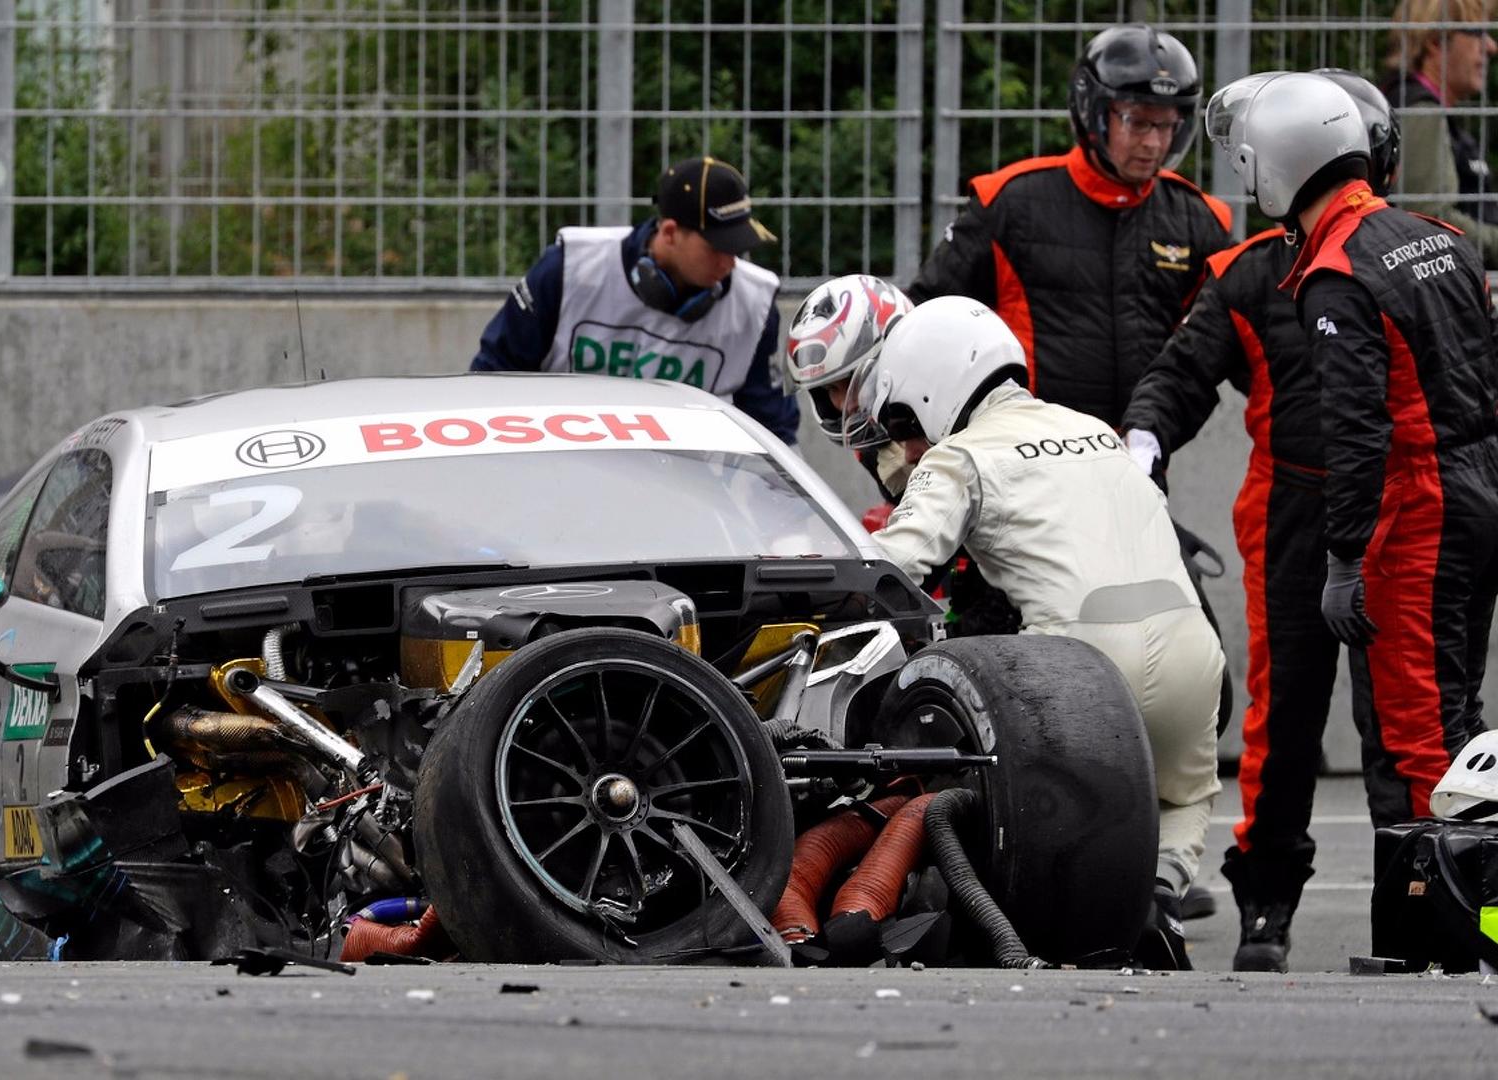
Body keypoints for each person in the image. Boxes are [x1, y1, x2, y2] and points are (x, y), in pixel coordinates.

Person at [1210, 70, 1498, 970]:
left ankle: (1434, 944)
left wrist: (1342, 560)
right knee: (1455, 716)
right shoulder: (1441, 239)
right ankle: (1467, 926)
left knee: (1414, 731)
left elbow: (1356, 429)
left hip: (1417, 512)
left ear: (1278, 164)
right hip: (1479, 488)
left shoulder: (1335, 273)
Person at [1120, 71, 1404, 972]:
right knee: (1285, 726)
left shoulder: (1407, 252)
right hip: (1293, 515)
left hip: (1405, 509)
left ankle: (1420, 915)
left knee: (1404, 725)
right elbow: (1181, 373)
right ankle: (1266, 910)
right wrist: (1141, 443)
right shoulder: (1247, 272)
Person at [854, 295, 1225, 969]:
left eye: (906, 418)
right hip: (1193, 649)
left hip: (1081, 667)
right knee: (1186, 796)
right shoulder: (1098, 433)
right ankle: (1160, 897)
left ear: (932, 386)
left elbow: (892, 567)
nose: (908, 438)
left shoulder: (960, 456)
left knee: (1011, 819)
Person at [907, 23, 1233, 429]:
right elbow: (925, 319)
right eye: (1137, 122)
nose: (1154, 143)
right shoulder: (1008, 201)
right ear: (1093, 112)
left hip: (1138, 452)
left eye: (1167, 125)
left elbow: (1246, 338)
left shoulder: (1199, 218)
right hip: (1022, 445)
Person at [470, 155, 798, 442]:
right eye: (717, 248)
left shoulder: (753, 305)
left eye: (737, 248)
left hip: (682, 483)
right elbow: (491, 382)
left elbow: (774, 429)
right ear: (669, 233)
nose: (729, 263)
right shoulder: (570, 270)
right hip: (558, 468)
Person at [1381, 0, 1498, 267]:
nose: (1491, 46)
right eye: (1477, 33)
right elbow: (1429, 219)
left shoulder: (1420, 106)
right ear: (1436, 41)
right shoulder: (1420, 112)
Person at [781, 273, 915, 495]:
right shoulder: (869, 443)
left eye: (858, 382)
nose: (846, 404)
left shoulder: (949, 418)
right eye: (832, 388)